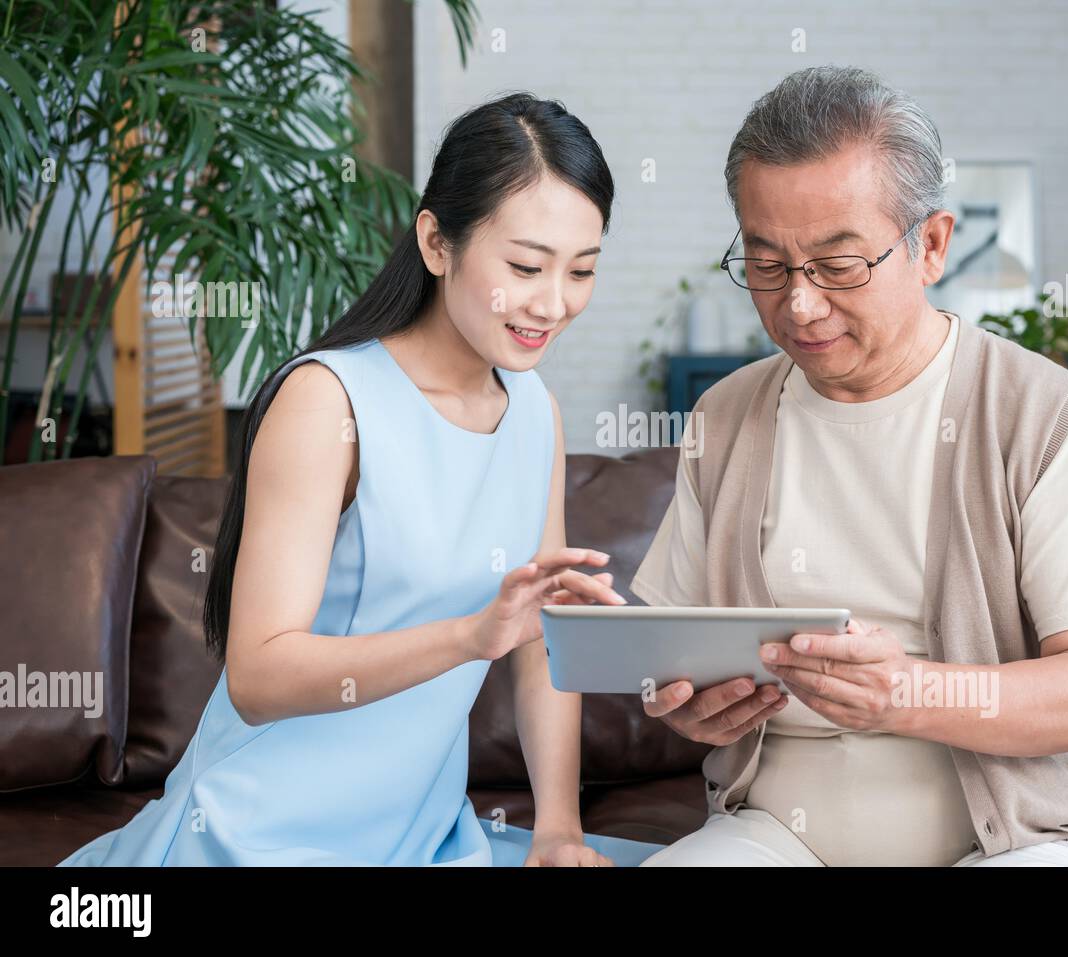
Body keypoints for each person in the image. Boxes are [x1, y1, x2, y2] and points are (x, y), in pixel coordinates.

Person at [60, 93, 661, 867]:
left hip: (424, 839)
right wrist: (468, 636)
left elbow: (544, 639)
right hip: (260, 837)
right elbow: (259, 671)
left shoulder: (535, 412)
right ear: (437, 242)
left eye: (581, 270)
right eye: (524, 266)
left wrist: (557, 830)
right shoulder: (328, 401)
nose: (553, 303)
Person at [631, 66, 1068, 867]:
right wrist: (686, 702)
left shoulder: (1042, 414)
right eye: (768, 264)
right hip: (778, 832)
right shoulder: (725, 416)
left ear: (930, 245)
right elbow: (675, 652)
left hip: (1025, 842)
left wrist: (911, 692)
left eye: (838, 263)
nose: (800, 304)